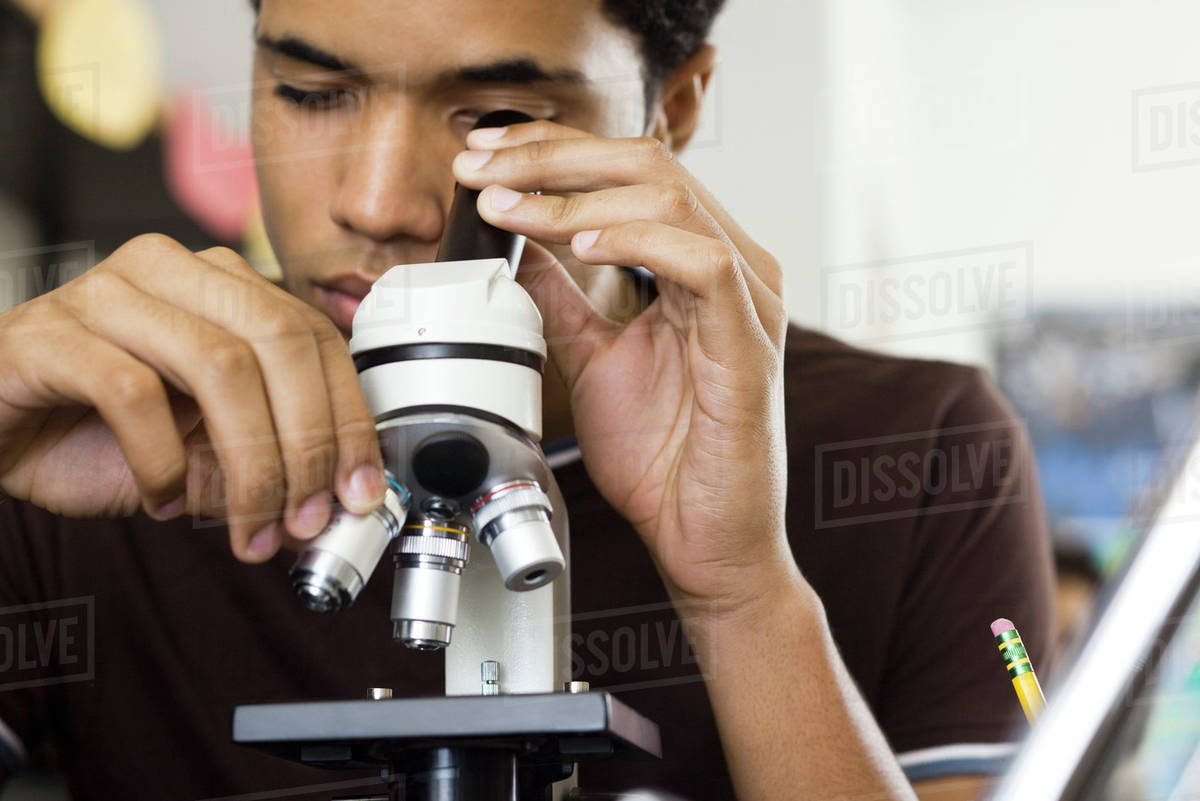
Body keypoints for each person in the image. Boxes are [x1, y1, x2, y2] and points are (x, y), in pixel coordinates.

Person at [0, 1, 1055, 799]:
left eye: (497, 115)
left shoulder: (919, 455)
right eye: (313, 91)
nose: (377, 202)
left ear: (672, 107)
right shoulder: (102, 438)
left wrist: (743, 594)